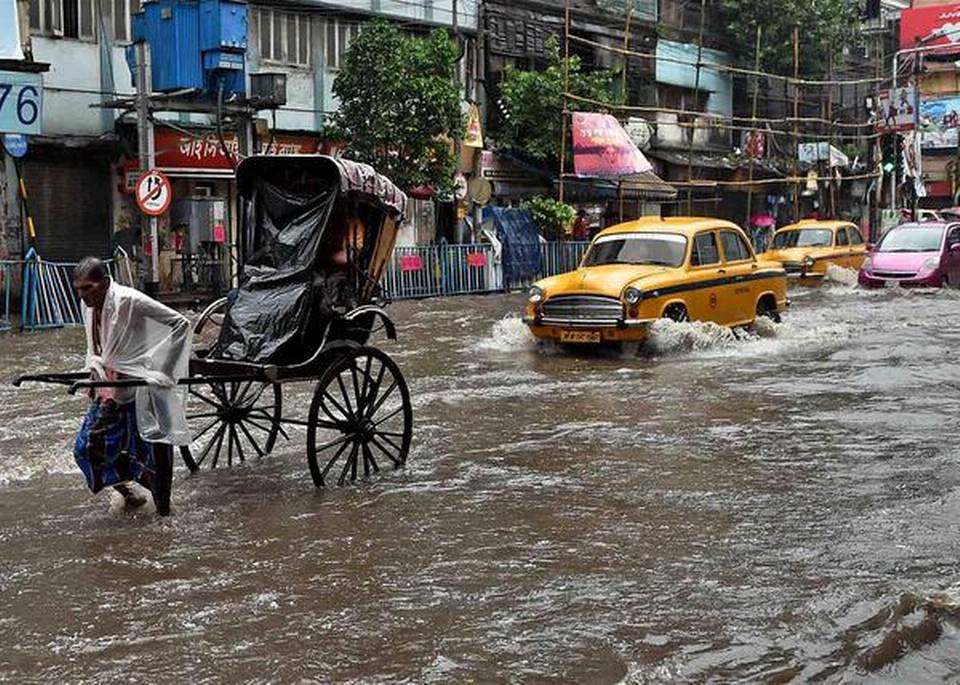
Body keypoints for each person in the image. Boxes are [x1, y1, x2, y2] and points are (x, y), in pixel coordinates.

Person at [72, 258, 192, 516]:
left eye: (88, 288)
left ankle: (164, 513)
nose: (82, 295)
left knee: (155, 455)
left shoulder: (129, 301)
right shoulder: (91, 307)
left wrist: (164, 373)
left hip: (141, 390)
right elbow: (97, 347)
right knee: (87, 449)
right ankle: (129, 491)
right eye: (79, 289)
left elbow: (180, 324)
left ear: (104, 283)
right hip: (110, 388)